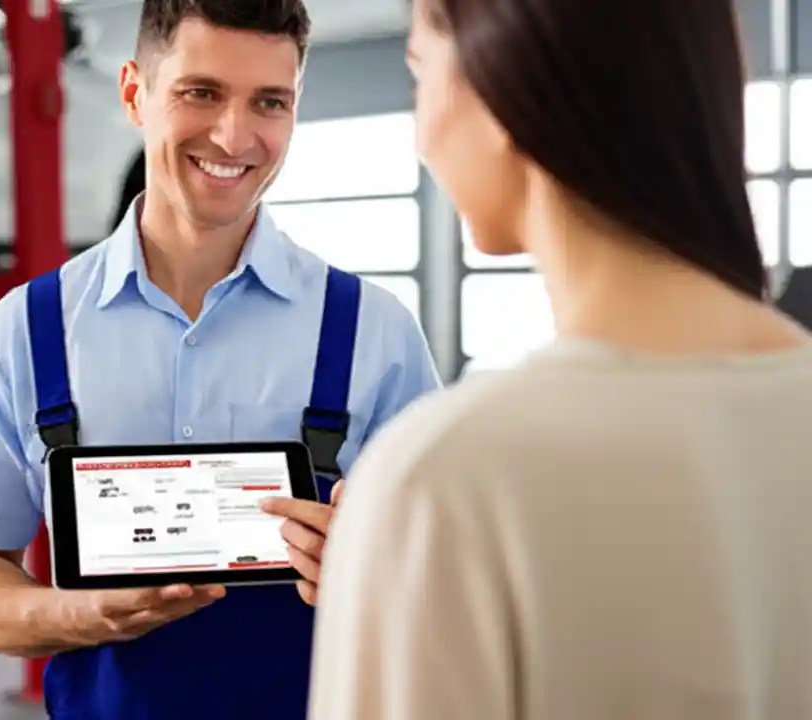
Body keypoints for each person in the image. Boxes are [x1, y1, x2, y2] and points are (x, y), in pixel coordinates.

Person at [0, 1, 441, 718]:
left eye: (270, 102)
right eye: (201, 92)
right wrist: (82, 617)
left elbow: (447, 588)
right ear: (135, 93)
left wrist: (377, 572)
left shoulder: (375, 335)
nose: (235, 135)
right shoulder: (26, 330)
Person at [308, 0, 812, 718]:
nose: (422, 136)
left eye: (420, 71)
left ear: (498, 85)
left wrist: (392, 581)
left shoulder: (446, 481)